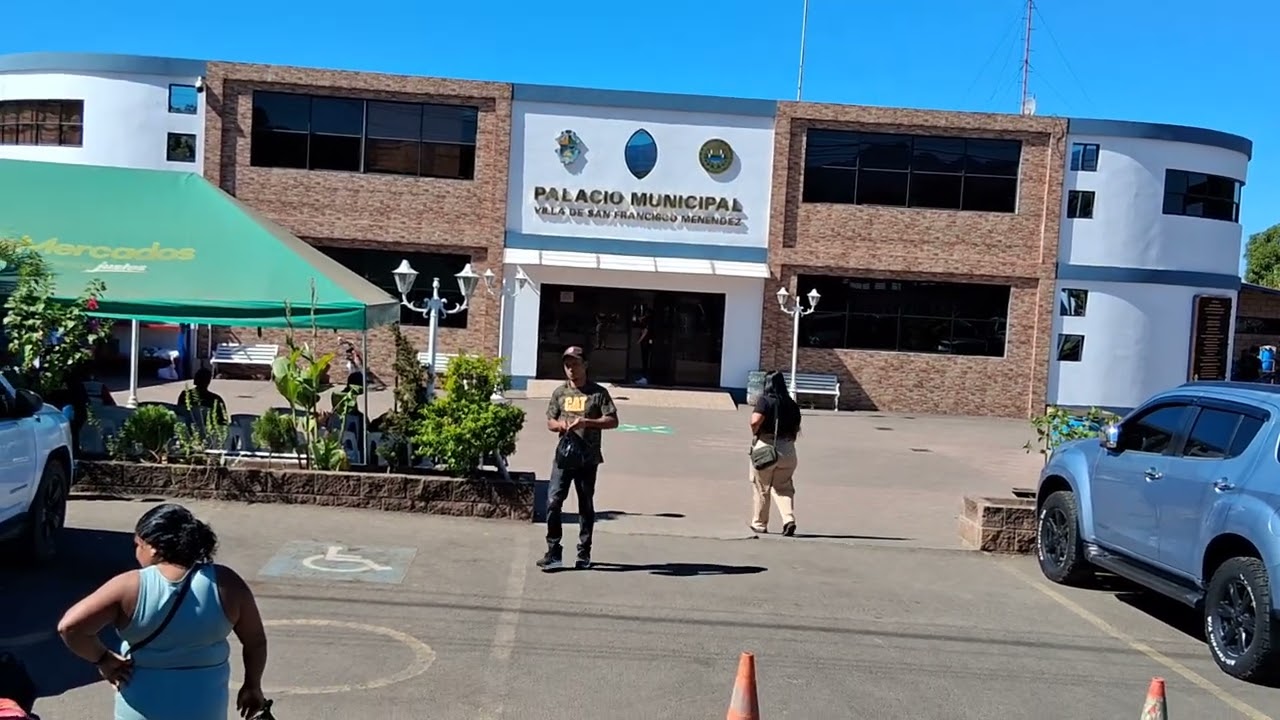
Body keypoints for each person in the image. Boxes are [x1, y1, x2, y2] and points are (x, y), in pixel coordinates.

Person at [56, 504, 269, 720]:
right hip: (205, 709)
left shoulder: (129, 586)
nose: (136, 551)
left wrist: (103, 659)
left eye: (138, 545)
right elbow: (256, 641)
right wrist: (252, 685)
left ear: (154, 548)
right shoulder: (227, 584)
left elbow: (70, 627)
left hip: (141, 708)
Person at [539, 346, 619, 570]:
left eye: (575, 363)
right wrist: (560, 425)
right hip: (564, 457)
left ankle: (584, 552)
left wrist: (587, 423)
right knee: (553, 501)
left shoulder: (598, 393)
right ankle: (553, 550)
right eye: (567, 364)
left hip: (587, 457)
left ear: (585, 365)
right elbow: (550, 421)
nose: (571, 369)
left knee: (585, 504)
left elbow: (613, 420)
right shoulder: (560, 392)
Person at [749, 371, 803, 536]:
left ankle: (759, 523)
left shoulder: (764, 401)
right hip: (788, 449)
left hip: (766, 447)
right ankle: (788, 519)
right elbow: (796, 428)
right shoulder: (791, 404)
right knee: (784, 487)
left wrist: (755, 432)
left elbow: (755, 421)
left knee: (761, 487)